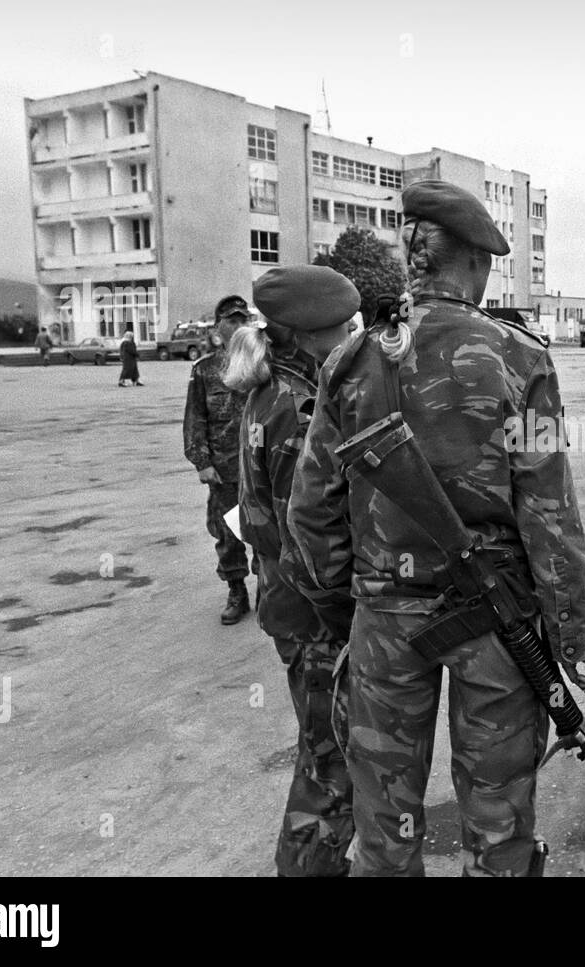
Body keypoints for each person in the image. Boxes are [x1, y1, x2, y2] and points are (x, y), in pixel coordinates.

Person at [285, 180, 585, 877]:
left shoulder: (350, 359)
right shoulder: (521, 360)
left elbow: (308, 513)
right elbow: (550, 520)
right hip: (495, 623)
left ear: (413, 259)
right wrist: (573, 637)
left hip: (385, 621)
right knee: (498, 824)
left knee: (385, 829)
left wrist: (354, 607)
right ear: (478, 263)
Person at [225, 265, 364, 877]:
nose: (355, 337)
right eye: (346, 328)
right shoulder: (298, 408)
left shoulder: (270, 392)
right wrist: (350, 617)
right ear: (311, 336)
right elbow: (310, 536)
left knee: (327, 751)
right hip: (314, 617)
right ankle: (307, 869)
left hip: (287, 603)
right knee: (333, 763)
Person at [183, 295, 253, 624]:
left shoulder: (263, 363)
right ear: (217, 328)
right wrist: (202, 462)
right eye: (231, 321)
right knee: (229, 534)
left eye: (244, 320)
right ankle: (237, 590)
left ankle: (270, 589)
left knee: (272, 531)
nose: (238, 326)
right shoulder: (205, 370)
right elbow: (195, 419)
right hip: (224, 469)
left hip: (262, 467)